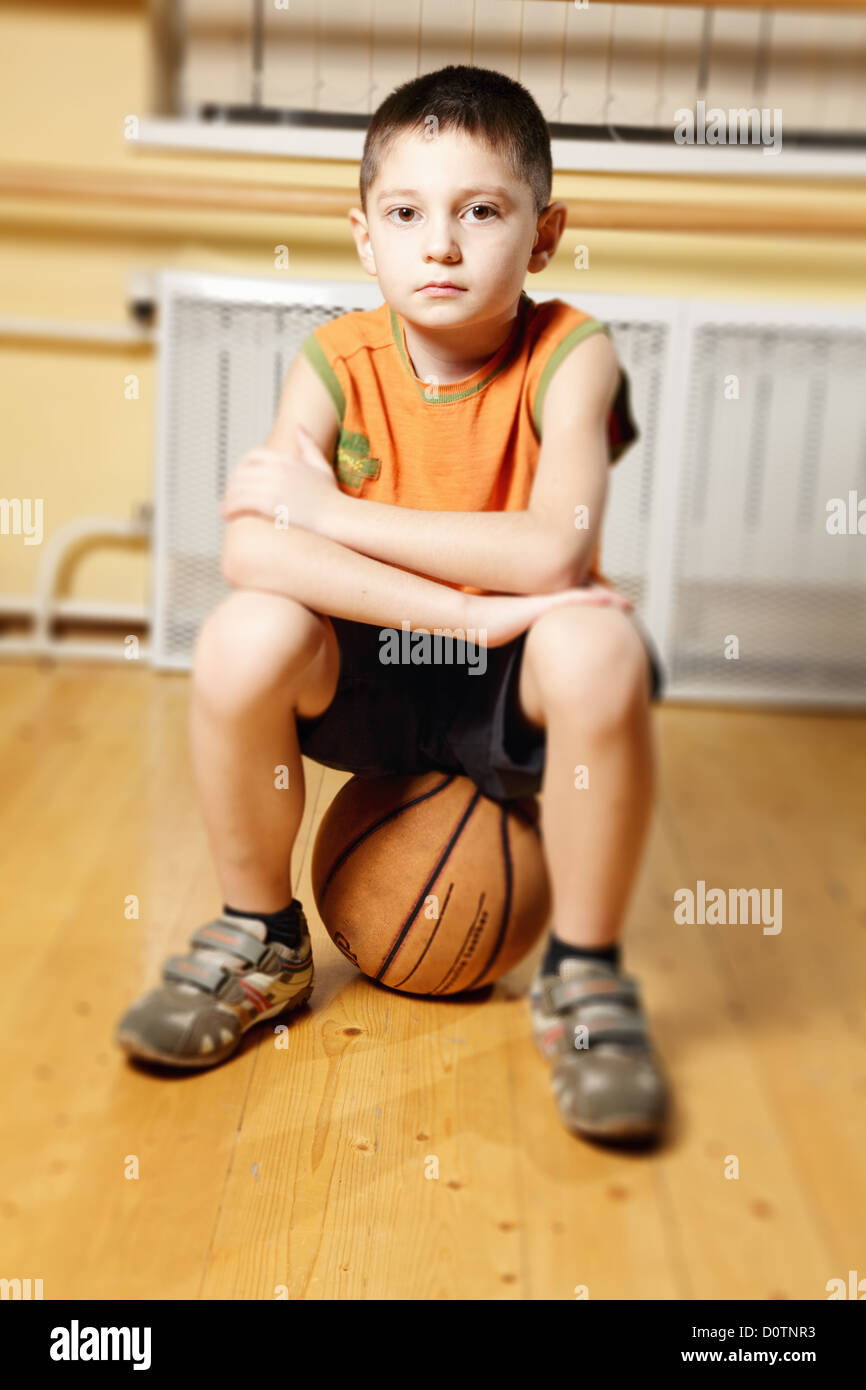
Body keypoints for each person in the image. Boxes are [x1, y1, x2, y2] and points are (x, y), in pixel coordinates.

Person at [116, 64, 670, 1146]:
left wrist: (330, 513)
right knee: (243, 634)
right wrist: (459, 610)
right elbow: (249, 547)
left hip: (517, 672)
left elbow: (553, 552)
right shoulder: (331, 361)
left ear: (543, 232)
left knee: (601, 647)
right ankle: (261, 935)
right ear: (364, 235)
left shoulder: (574, 354)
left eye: (480, 211)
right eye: (406, 213)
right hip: (381, 661)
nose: (442, 246)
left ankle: (585, 978)